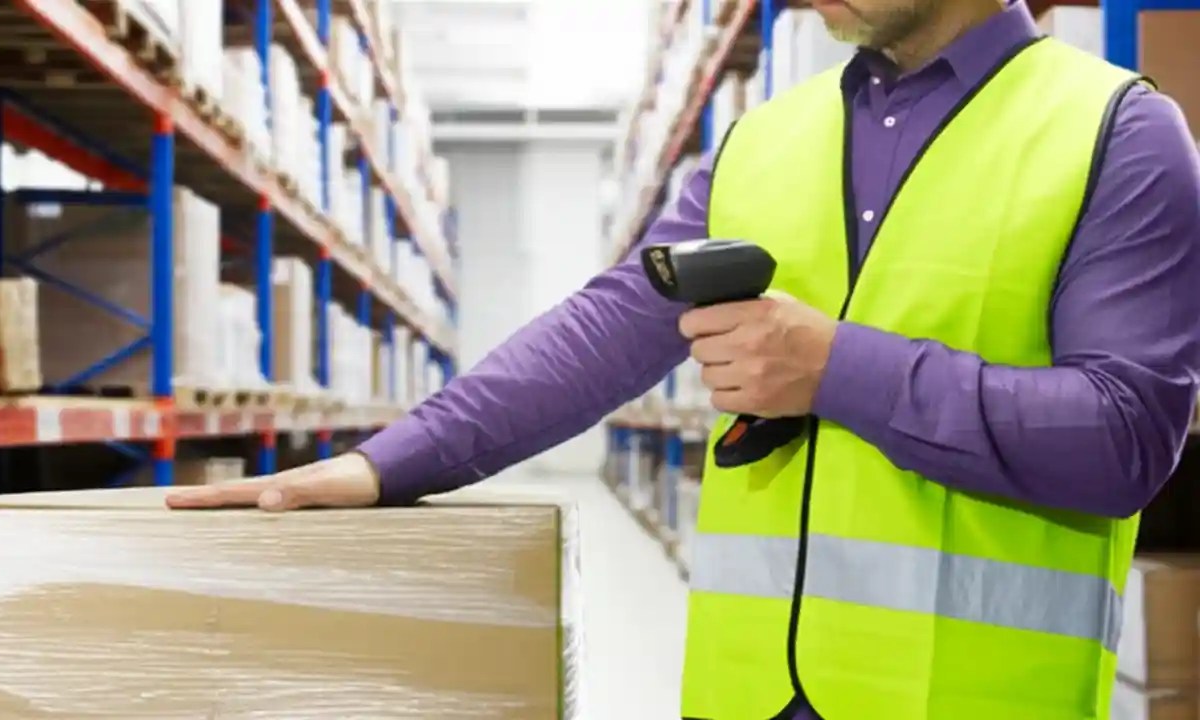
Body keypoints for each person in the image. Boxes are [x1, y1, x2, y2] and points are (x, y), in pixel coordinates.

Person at [167, 0, 1200, 716]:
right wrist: (383, 464)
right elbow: (609, 328)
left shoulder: (1114, 132)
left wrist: (836, 368)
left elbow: (1123, 439)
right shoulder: (761, 141)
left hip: (973, 701)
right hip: (746, 695)